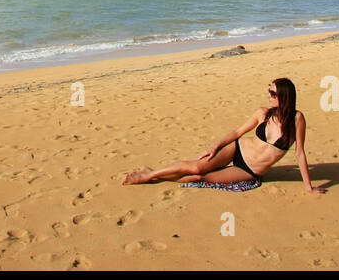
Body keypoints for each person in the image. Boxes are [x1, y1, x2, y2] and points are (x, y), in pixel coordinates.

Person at [122, 77, 326, 193]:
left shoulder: (297, 119)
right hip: (236, 149)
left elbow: (299, 153)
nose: (269, 96)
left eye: (273, 93)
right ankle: (150, 174)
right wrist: (215, 146)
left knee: (200, 177)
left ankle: (154, 174)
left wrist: (308, 187)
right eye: (269, 91)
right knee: (195, 166)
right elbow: (238, 132)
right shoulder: (263, 113)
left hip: (249, 170)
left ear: (284, 97)